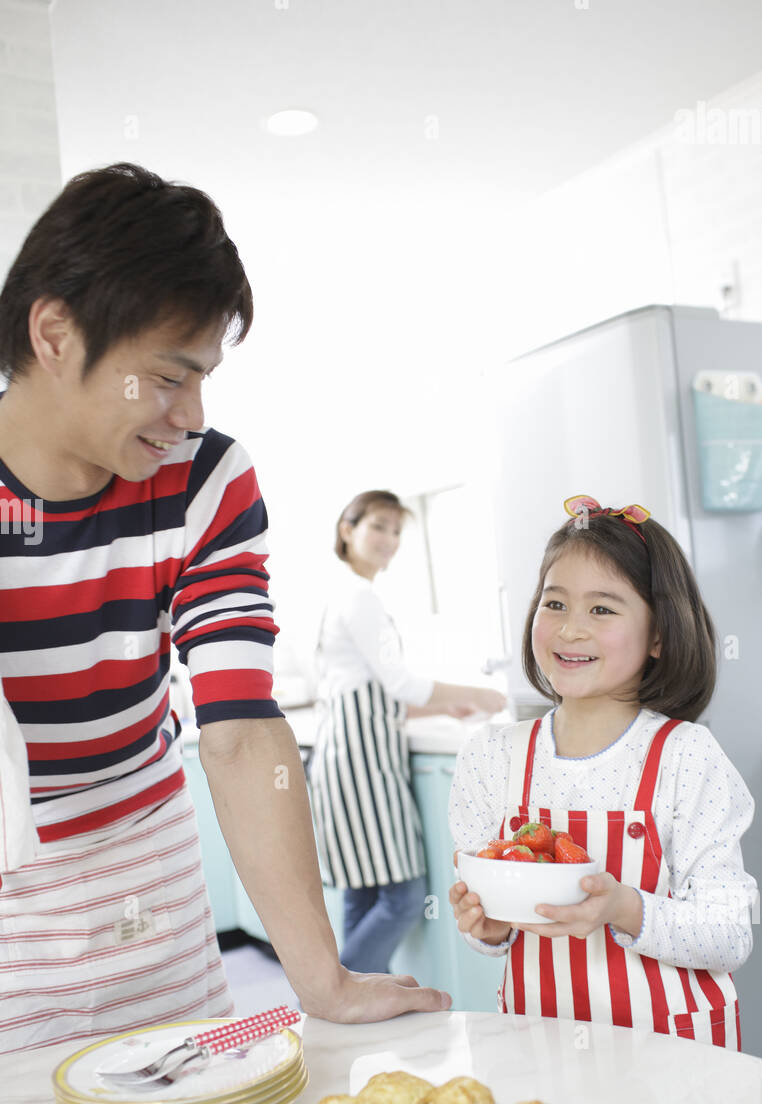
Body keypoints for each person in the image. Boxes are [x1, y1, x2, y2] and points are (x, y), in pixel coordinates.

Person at [0, 162, 452, 1054]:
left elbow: (241, 729)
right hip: (13, 879)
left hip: (149, 871)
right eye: (169, 376)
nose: (192, 412)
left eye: (204, 376)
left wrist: (321, 978)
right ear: (55, 333)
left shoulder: (207, 478)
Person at [448, 495, 757, 1050]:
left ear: (659, 635)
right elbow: (493, 926)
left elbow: (729, 934)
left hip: (675, 1061)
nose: (569, 631)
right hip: (542, 1049)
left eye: (603, 609)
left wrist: (623, 907)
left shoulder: (686, 757)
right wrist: (488, 930)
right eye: (555, 603)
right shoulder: (492, 757)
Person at [308, 490, 506, 974]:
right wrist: (484, 696)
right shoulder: (360, 597)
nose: (389, 540)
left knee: (364, 891)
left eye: (396, 531)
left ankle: (342, 1016)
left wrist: (442, 707)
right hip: (362, 765)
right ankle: (332, 999)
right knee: (403, 898)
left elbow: (368, 695)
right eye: (379, 525)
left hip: (345, 757)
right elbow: (398, 682)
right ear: (347, 529)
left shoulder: (345, 595)